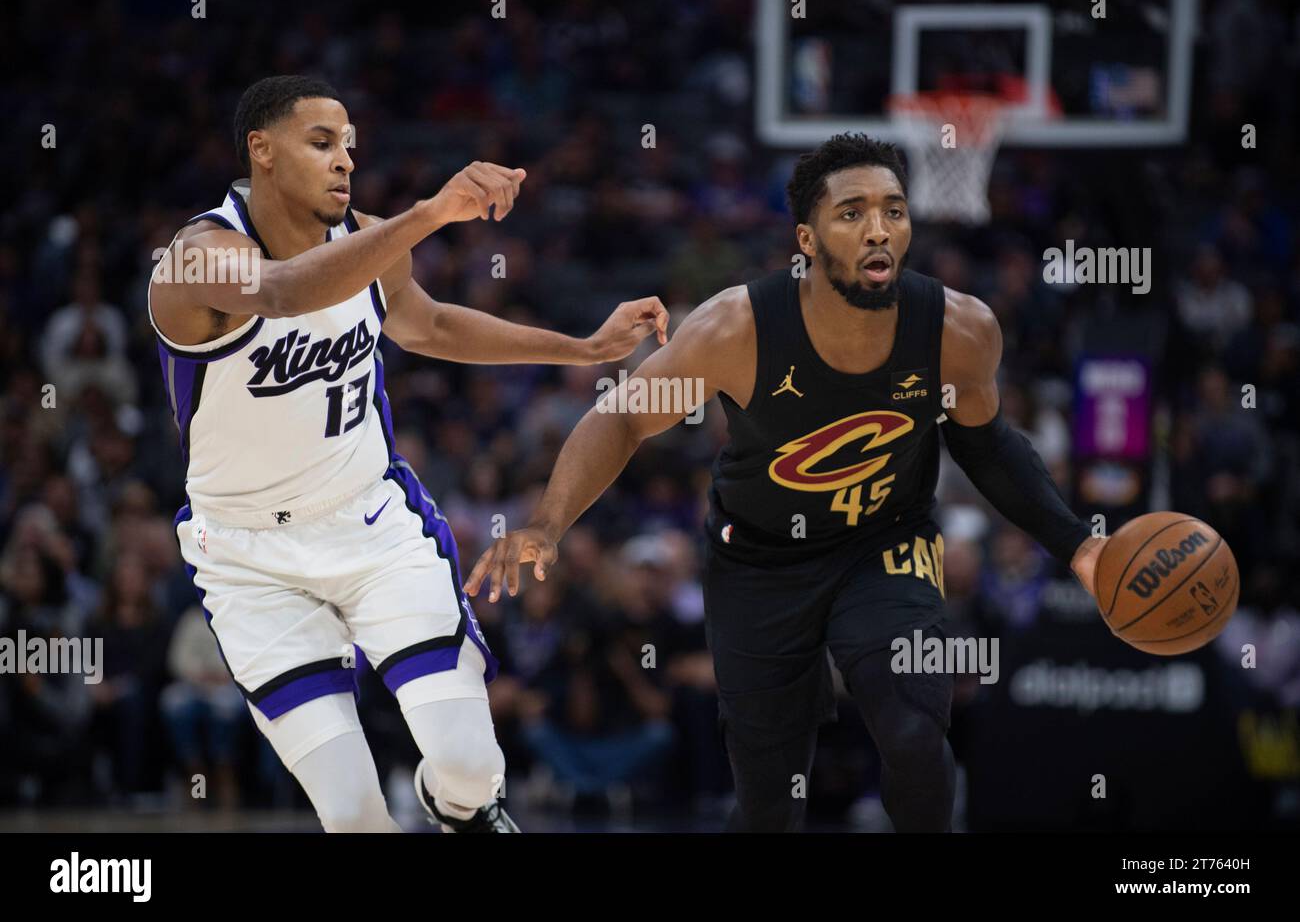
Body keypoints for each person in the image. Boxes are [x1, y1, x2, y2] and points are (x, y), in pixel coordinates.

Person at [467, 133, 1105, 832]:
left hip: (884, 546)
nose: (878, 229)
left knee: (917, 737)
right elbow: (619, 420)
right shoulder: (736, 328)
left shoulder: (961, 329)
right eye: (852, 212)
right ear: (807, 236)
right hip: (759, 558)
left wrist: (1079, 546)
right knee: (772, 799)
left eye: (894, 210)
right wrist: (549, 523)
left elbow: (986, 447)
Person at [147, 75, 668, 832]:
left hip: (371, 525)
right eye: (321, 143)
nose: (344, 162)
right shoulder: (192, 261)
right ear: (260, 150)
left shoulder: (369, 239)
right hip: (246, 557)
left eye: (349, 147)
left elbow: (431, 327)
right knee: (355, 816)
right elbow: (287, 291)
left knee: (470, 769)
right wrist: (431, 215)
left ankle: (450, 805)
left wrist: (581, 348)